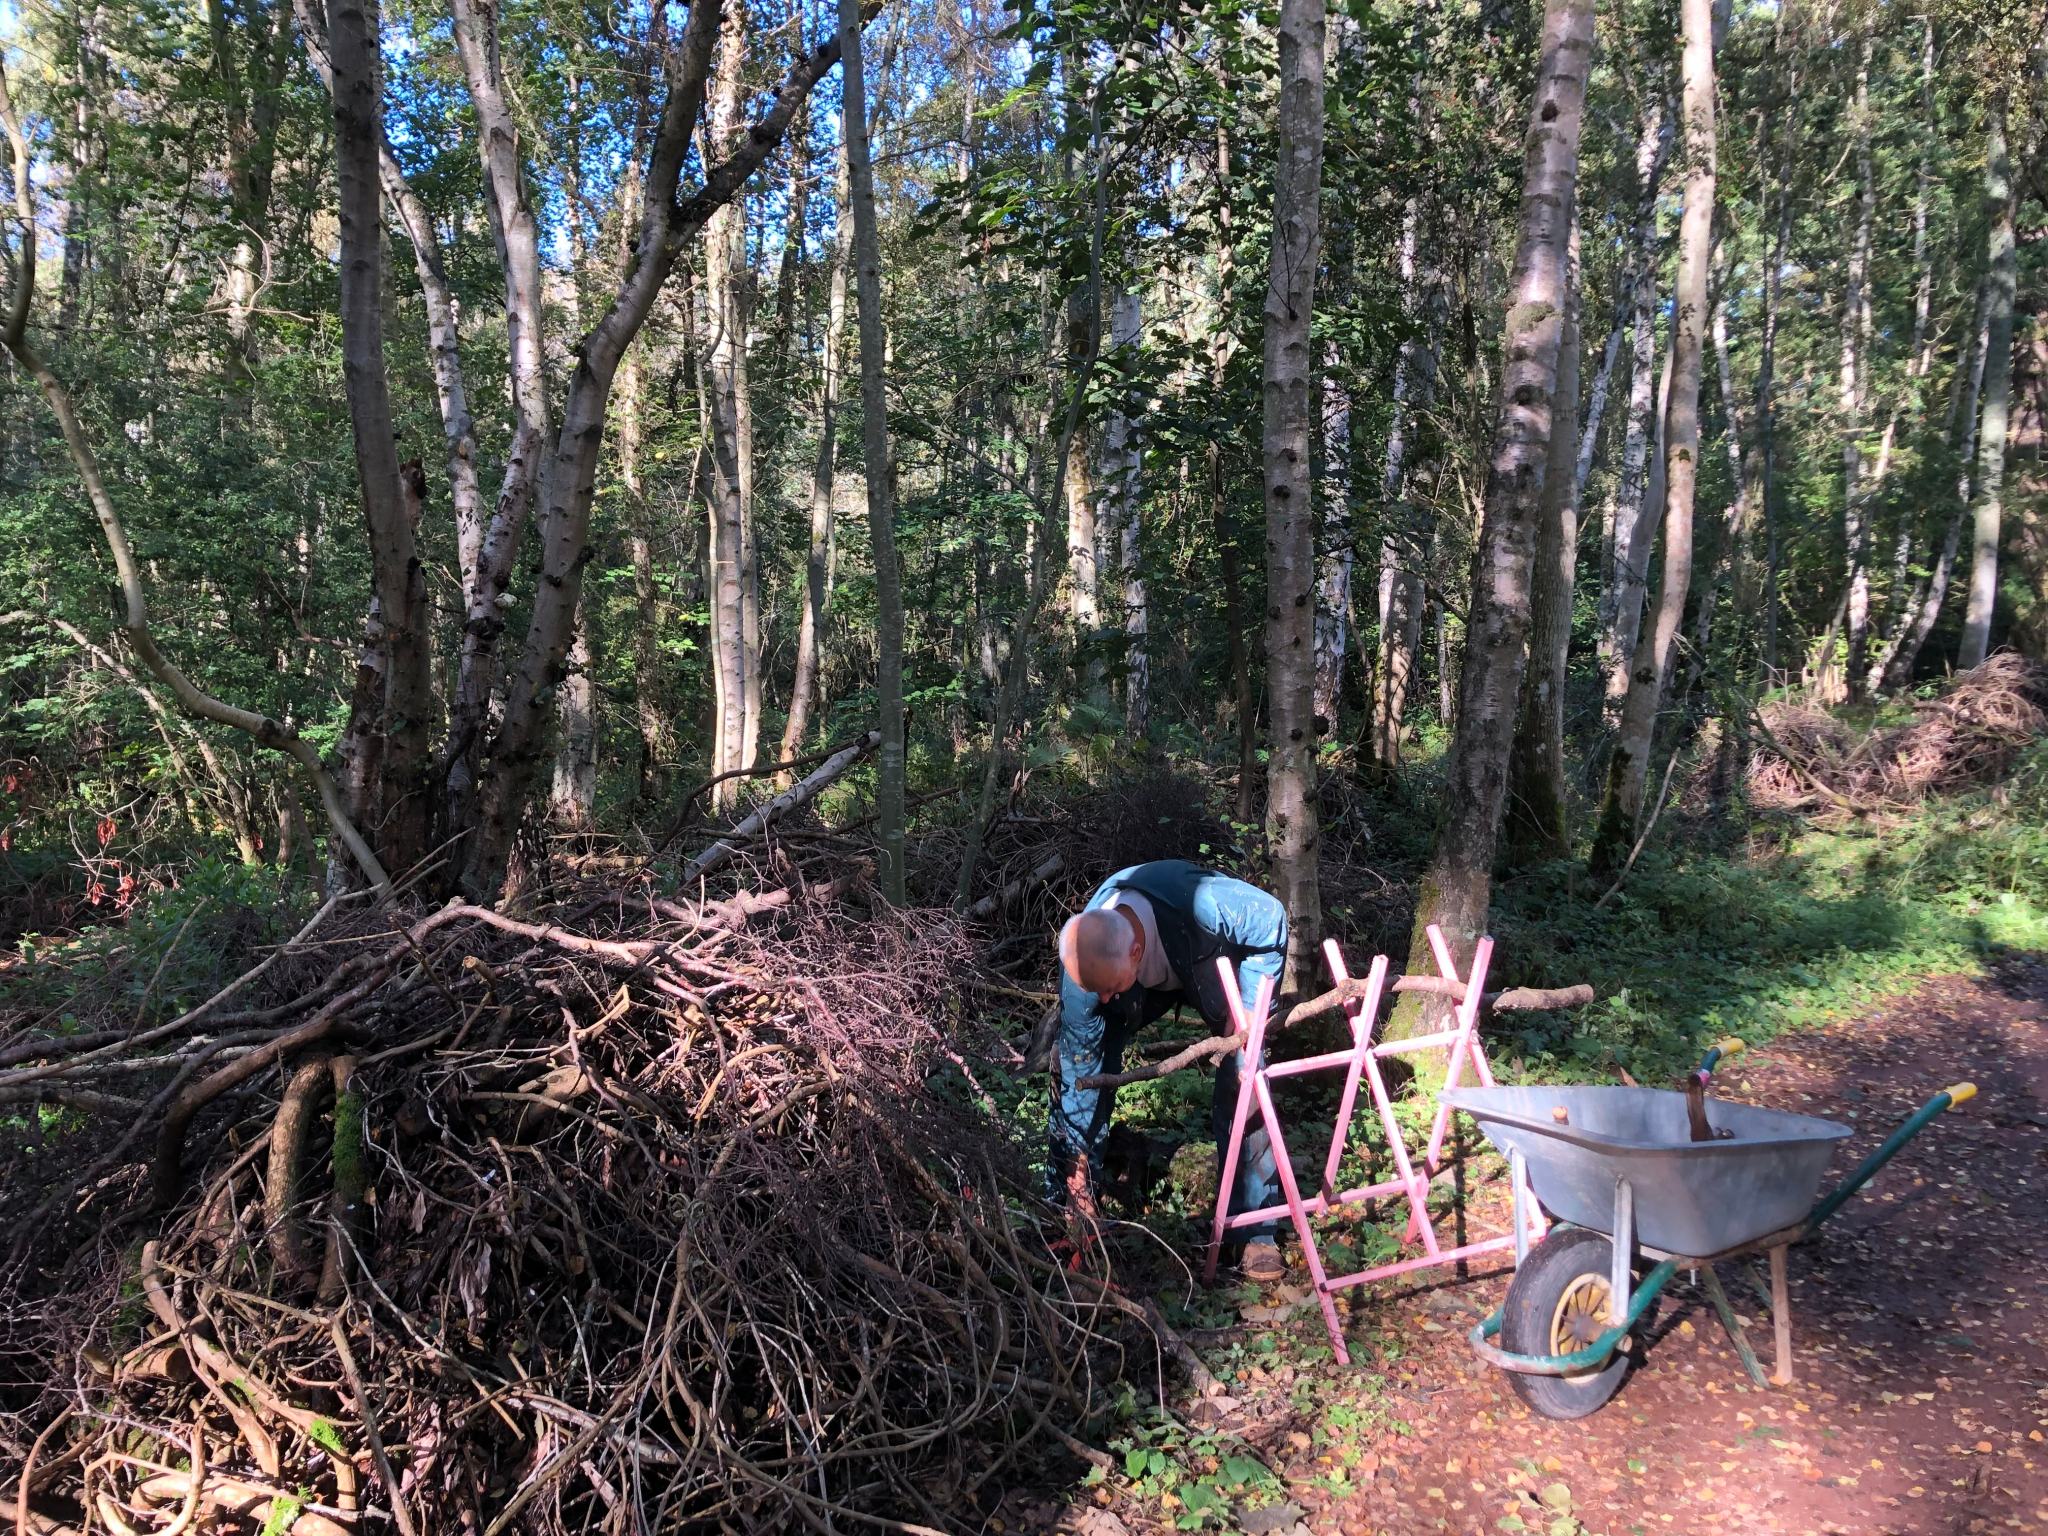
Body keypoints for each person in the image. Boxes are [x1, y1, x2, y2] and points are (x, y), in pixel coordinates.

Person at [1051, 859, 1287, 1282]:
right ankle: (1065, 1213)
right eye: (1094, 989)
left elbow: (1270, 919)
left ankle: (1256, 1231)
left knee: (1245, 1075)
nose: (1100, 998)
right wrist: (1077, 1171)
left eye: (1106, 988)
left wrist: (1252, 1009)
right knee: (1082, 1067)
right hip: (1140, 981)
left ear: (1136, 954)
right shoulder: (1087, 974)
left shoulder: (1207, 906)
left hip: (1204, 958)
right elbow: (1079, 1077)